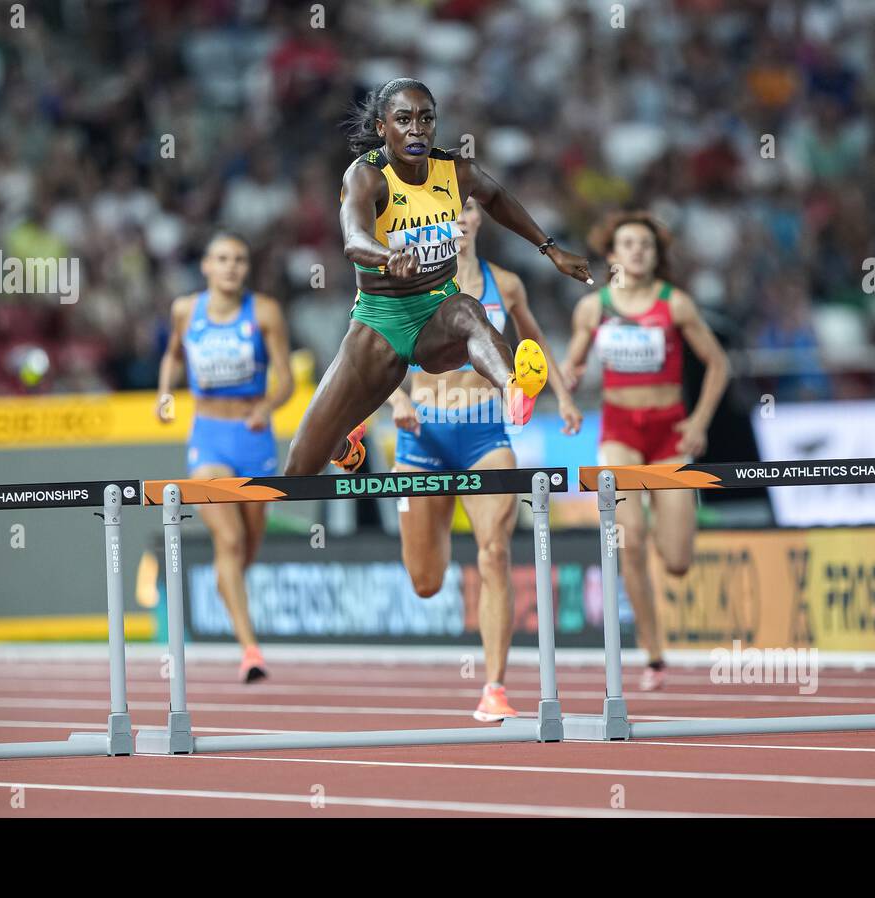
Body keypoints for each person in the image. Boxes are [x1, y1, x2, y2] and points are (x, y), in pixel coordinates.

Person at [282, 77, 593, 477]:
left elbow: (496, 198)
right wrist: (388, 255)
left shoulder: (455, 171)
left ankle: (513, 389)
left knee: (466, 309)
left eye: (426, 119)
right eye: (404, 119)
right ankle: (344, 443)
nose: (417, 129)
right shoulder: (366, 176)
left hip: (436, 314)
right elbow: (354, 240)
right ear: (383, 128)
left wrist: (550, 250)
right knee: (298, 470)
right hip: (380, 326)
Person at [387, 197, 583, 720]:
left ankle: (494, 687)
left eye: (465, 210)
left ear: (476, 220)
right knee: (425, 581)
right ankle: (437, 535)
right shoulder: (409, 279)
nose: (456, 221)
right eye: (443, 214)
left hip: (483, 433)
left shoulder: (508, 284)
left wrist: (560, 394)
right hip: (421, 434)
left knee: (495, 553)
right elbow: (375, 351)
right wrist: (397, 398)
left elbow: (534, 340)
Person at [563, 212, 730, 691]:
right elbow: (571, 367)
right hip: (620, 433)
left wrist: (698, 421)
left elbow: (719, 364)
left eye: (646, 245)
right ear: (612, 255)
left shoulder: (674, 304)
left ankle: (667, 527)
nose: (637, 251)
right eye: (628, 244)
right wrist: (567, 389)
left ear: (656, 256)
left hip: (669, 436)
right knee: (627, 541)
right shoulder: (593, 309)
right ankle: (653, 655)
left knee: (676, 560)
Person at [157, 232, 293, 682]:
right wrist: (164, 394)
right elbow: (173, 355)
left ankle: (227, 583)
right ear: (206, 267)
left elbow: (287, 381)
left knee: (248, 545)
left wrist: (267, 408)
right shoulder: (185, 310)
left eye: (239, 259)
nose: (232, 266)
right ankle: (250, 650)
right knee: (229, 540)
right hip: (208, 438)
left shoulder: (265, 312)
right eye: (222, 259)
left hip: (253, 437)